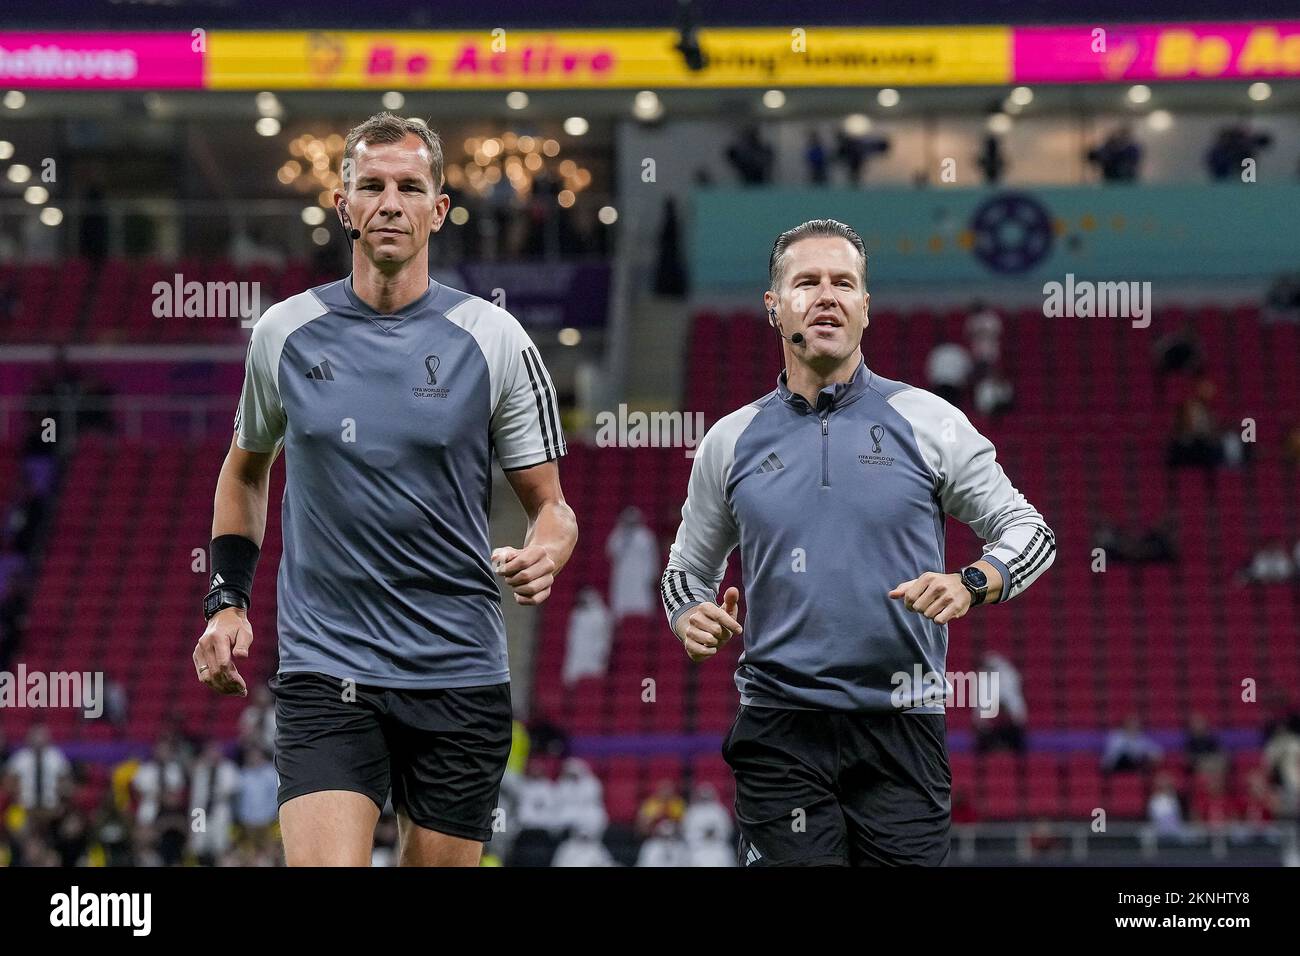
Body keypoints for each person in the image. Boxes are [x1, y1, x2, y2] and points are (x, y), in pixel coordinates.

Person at [193, 112, 578, 867]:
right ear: (344, 206)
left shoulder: (496, 339)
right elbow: (245, 469)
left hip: (460, 672)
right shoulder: (283, 332)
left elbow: (552, 507)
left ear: (438, 209)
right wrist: (227, 600)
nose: (389, 203)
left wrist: (549, 550)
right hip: (326, 668)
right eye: (370, 186)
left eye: (409, 187)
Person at [661, 219, 1055, 866]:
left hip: (902, 729)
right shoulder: (728, 442)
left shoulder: (931, 423)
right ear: (773, 306)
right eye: (806, 282)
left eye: (843, 283)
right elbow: (686, 571)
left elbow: (1029, 532)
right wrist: (688, 612)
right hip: (780, 730)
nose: (826, 296)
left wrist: (972, 581)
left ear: (865, 309)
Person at [606, 506, 660, 621]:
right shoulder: (618, 535)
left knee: (643, 603)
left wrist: (652, 576)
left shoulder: (646, 536)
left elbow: (652, 558)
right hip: (623, 577)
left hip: (640, 577)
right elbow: (610, 550)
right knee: (621, 603)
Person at [4, 724, 70, 814]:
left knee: (68, 821)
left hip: (51, 806)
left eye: (41, 736)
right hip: (23, 806)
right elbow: (8, 782)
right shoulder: (20, 757)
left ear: (47, 738)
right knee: (14, 821)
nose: (38, 740)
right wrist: (16, 793)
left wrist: (61, 794)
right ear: (29, 738)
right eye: (36, 736)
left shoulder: (56, 756)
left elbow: (65, 781)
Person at [562, 587, 613, 686]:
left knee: (592, 681)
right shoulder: (577, 614)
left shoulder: (602, 615)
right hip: (578, 653)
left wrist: (601, 653)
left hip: (593, 654)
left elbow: (604, 637)